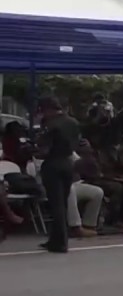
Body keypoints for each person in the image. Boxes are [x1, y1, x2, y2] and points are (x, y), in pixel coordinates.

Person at [35, 98, 79, 253]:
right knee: (64, 203)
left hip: (53, 164)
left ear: (48, 109)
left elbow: (44, 149)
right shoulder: (73, 122)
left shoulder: (51, 125)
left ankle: (60, 242)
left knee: (56, 204)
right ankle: (55, 239)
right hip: (68, 163)